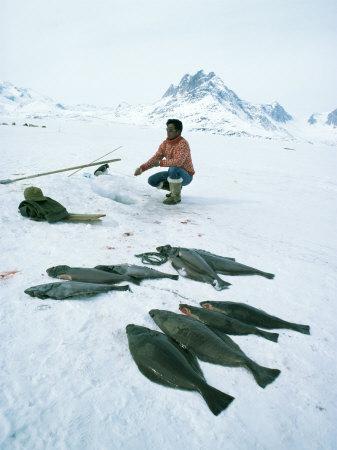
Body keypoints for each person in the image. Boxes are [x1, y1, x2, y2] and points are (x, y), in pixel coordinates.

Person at [134, 119, 195, 205]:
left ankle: (175, 197)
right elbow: (156, 158)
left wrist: (161, 163)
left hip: (186, 176)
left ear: (178, 132)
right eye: (167, 130)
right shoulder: (165, 144)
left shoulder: (183, 144)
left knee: (175, 168)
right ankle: (175, 189)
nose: (167, 132)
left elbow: (178, 162)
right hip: (172, 173)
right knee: (152, 180)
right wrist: (142, 168)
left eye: (170, 130)